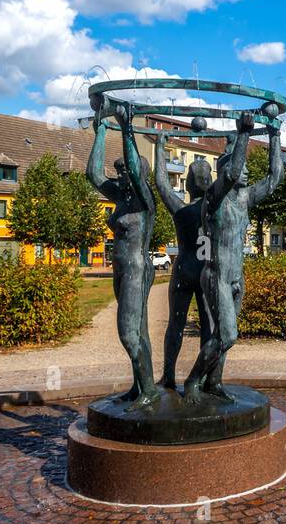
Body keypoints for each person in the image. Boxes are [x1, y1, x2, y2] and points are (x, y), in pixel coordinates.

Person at [183, 110, 284, 402]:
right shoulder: (214, 199)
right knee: (228, 335)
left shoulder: (244, 198)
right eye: (241, 166)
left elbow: (274, 177)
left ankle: (214, 382)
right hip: (216, 276)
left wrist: (275, 136)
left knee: (223, 339)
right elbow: (231, 173)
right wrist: (243, 134)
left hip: (237, 277)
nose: (246, 171)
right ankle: (192, 381)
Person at [87, 99, 160, 406]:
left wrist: (127, 127)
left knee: (129, 333)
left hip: (136, 269)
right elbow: (93, 175)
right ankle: (141, 386)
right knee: (138, 331)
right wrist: (101, 131)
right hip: (121, 268)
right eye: (118, 172)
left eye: (124, 171)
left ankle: (149, 390)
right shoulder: (120, 196)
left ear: (137, 175)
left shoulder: (144, 200)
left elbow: (132, 165)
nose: (119, 175)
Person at [151, 136, 213, 389]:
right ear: (209, 183)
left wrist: (159, 146)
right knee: (208, 325)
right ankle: (205, 378)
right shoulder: (215, 210)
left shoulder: (180, 209)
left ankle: (168, 375)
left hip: (184, 269)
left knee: (175, 324)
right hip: (206, 270)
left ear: (188, 184)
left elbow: (161, 183)